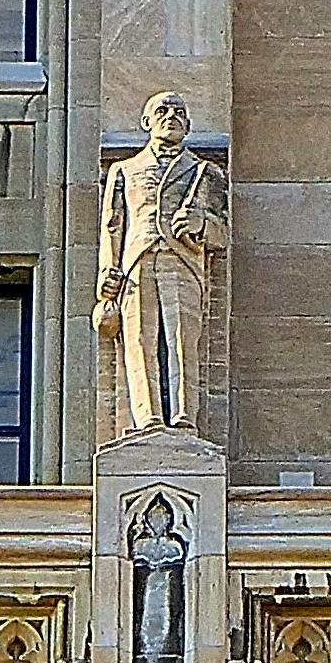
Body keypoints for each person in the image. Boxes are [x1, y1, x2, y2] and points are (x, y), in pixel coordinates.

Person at [97, 92, 226, 438]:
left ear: (188, 124)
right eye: (162, 111)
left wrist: (200, 223)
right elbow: (113, 224)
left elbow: (222, 232)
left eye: (179, 112)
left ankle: (184, 414)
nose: (171, 117)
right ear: (147, 122)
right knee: (139, 340)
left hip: (181, 260)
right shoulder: (125, 170)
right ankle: (147, 416)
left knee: (182, 341)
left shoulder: (204, 172)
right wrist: (107, 271)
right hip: (137, 261)